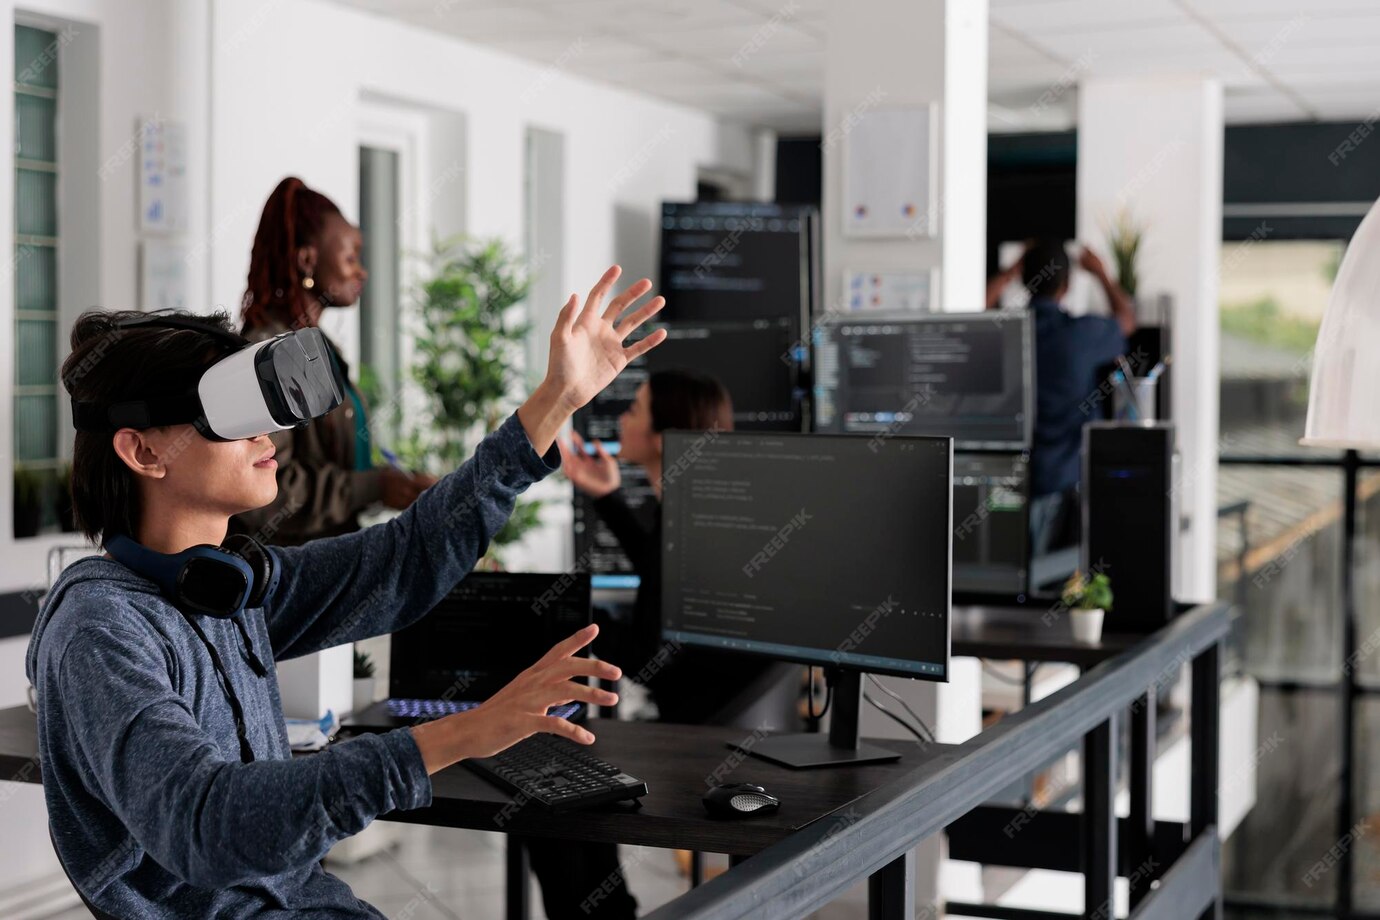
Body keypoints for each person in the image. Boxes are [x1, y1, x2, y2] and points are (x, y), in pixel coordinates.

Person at [27, 264, 665, 918]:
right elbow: (205, 824)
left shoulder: (228, 589)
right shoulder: (100, 631)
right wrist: (462, 734)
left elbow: (405, 559)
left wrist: (555, 399)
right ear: (143, 452)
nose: (266, 434)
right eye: (224, 414)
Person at [233, 176, 433, 545]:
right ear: (307, 260)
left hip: (329, 557)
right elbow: (266, 491)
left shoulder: (315, 347)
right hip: (290, 569)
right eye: (351, 257)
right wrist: (373, 486)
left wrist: (391, 484)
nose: (362, 272)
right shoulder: (268, 353)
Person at [989, 240, 1137, 553]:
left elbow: (975, 314)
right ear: (1066, 286)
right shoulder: (1080, 334)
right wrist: (1101, 273)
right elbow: (1127, 320)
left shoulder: (1007, 330)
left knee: (1009, 569)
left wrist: (1008, 273)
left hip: (1009, 479)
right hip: (1063, 481)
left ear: (1023, 280)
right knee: (1061, 574)